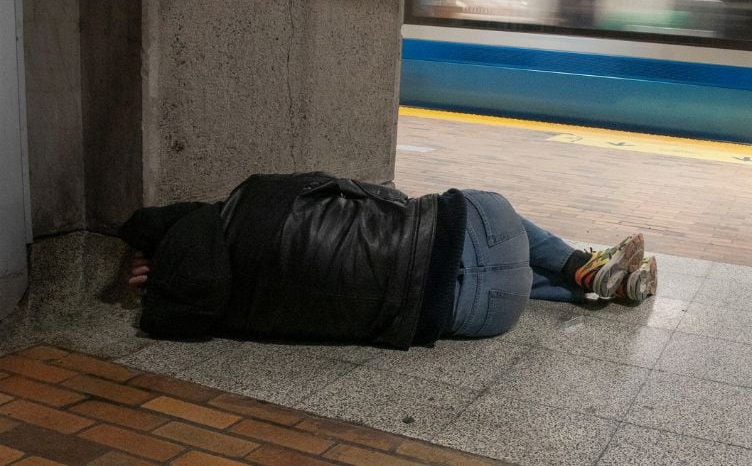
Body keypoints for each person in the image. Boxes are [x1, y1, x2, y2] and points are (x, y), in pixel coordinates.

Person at [118, 172, 656, 348]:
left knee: (456, 280)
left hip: (484, 316)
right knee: (463, 221)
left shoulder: (221, 318)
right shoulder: (257, 196)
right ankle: (579, 266)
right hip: (494, 237)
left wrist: (169, 288)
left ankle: (583, 282)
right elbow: (366, 192)